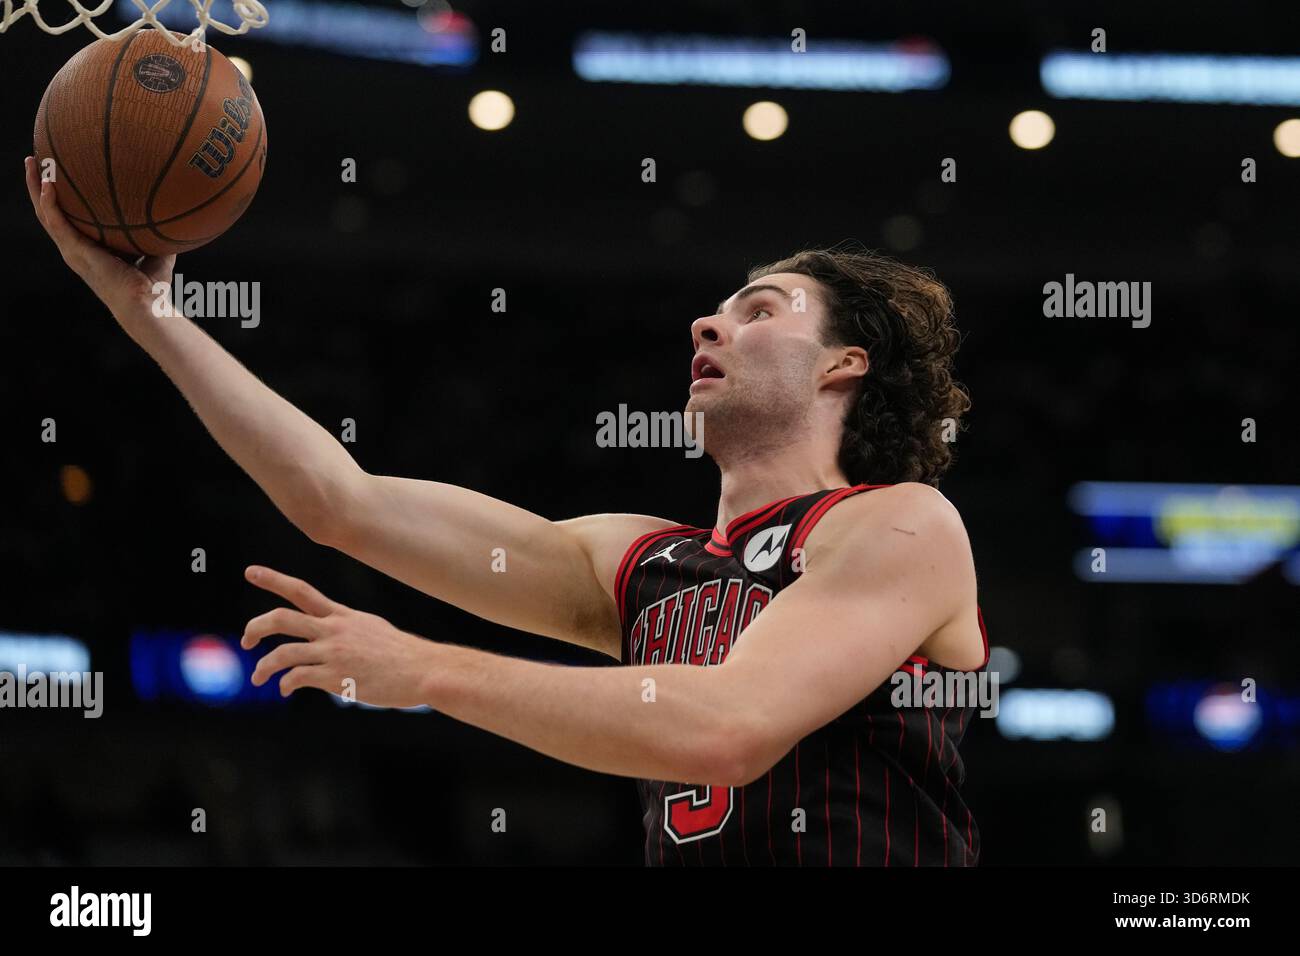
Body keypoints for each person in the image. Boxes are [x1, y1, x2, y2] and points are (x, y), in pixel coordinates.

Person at [26, 155, 987, 866]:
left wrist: (425, 668)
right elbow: (339, 503)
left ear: (843, 365)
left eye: (760, 309)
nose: (709, 323)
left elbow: (729, 726)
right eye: (718, 309)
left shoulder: (904, 525)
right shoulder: (639, 564)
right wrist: (144, 310)